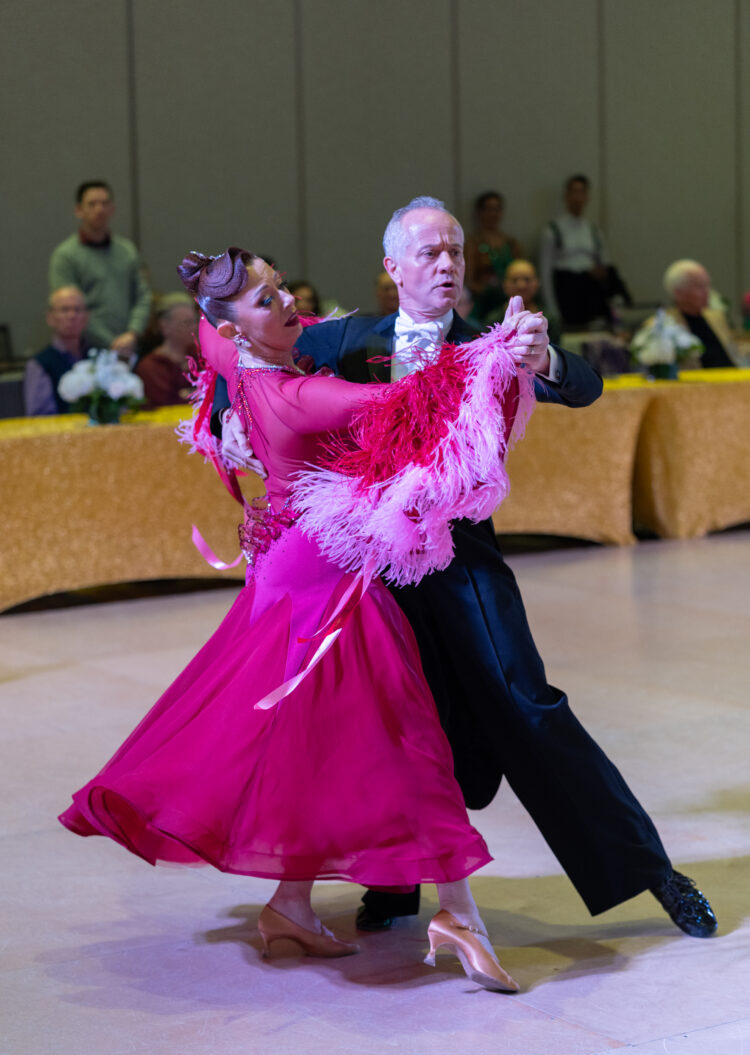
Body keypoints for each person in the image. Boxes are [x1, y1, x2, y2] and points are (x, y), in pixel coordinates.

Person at [218, 196, 715, 939]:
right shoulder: (350, 340)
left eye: (454, 250)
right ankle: (392, 886)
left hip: (463, 554)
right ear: (393, 268)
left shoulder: (495, 340)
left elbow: (584, 385)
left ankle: (648, 871)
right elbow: (245, 354)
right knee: (386, 724)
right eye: (429, 253)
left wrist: (544, 357)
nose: (446, 263)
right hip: (371, 570)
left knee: (527, 700)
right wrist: (229, 416)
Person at [59, 244, 550, 993]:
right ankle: (458, 913)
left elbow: (207, 335)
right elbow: (418, 402)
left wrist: (225, 304)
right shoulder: (300, 397)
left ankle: (292, 903)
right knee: (403, 740)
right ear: (245, 329)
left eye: (280, 285)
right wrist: (497, 348)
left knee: (308, 747)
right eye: (267, 300)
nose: (288, 302)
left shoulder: (233, 351)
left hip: (298, 572)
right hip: (326, 592)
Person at [49, 181, 152, 357]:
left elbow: (143, 296)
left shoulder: (127, 250)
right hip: (86, 349)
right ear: (78, 210)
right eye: (92, 204)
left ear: (112, 209)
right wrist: (111, 342)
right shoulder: (65, 255)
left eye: (104, 203)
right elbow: (68, 310)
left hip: (129, 345)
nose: (99, 209)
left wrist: (132, 333)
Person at [539, 174, 630, 329]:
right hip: (567, 290)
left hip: (590, 290)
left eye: (582, 192)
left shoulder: (593, 231)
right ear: (566, 196)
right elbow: (545, 274)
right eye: (574, 192)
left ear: (587, 197)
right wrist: (552, 311)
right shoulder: (553, 230)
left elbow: (605, 264)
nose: (578, 198)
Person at [654, 260, 738, 368]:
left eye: (707, 285)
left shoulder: (716, 318)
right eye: (700, 286)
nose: (707, 291)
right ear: (679, 293)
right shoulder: (663, 324)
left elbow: (734, 354)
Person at [23, 287, 91, 415]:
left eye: (77, 310)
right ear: (50, 317)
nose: (72, 316)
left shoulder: (98, 357)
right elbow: (39, 418)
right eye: (64, 310)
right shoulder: (40, 364)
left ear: (86, 317)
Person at [464, 191, 523, 318]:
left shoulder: (511, 243)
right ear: (480, 212)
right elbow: (469, 281)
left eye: (497, 209)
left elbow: (522, 272)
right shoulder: (473, 243)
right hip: (483, 304)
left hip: (509, 302)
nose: (493, 214)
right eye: (489, 209)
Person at [135, 294, 199, 407]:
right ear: (164, 326)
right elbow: (169, 403)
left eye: (195, 321)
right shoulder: (151, 366)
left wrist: (187, 394)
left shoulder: (200, 356)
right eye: (187, 323)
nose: (194, 327)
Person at [484, 260, 561, 344]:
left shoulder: (550, 320)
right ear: (504, 285)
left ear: (537, 283)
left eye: (527, 279)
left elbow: (555, 351)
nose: (521, 285)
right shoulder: (493, 320)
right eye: (514, 280)